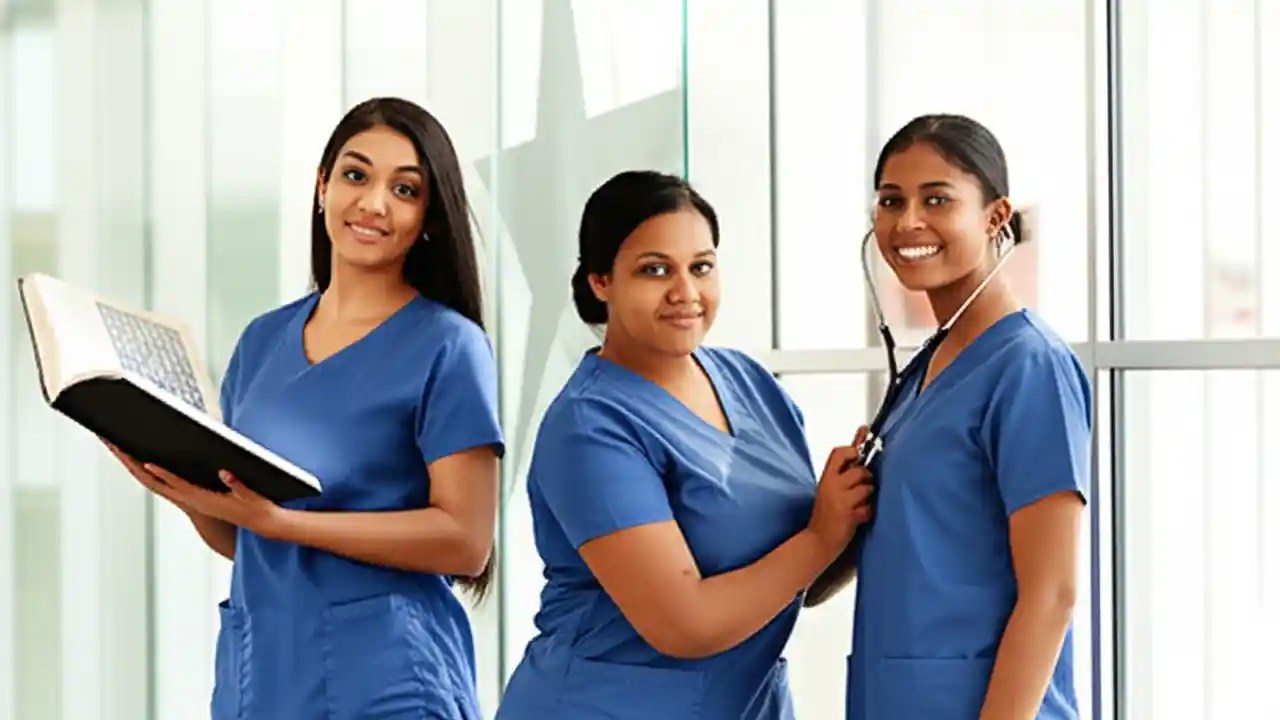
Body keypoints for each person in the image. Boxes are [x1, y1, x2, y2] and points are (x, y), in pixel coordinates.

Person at [103, 97, 504, 719]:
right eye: (355, 175)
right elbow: (246, 537)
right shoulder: (263, 340)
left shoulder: (449, 346)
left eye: (404, 189)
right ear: (322, 188)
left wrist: (284, 523)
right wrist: (175, 482)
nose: (373, 202)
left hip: (390, 681)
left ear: (427, 216)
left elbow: (464, 541)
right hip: (263, 673)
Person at [495, 170, 875, 719]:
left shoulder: (752, 383)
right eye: (655, 270)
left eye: (701, 266)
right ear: (601, 281)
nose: (685, 293)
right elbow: (684, 624)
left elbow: (795, 583)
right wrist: (822, 535)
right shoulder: (590, 426)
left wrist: (859, 505)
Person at [842, 114, 1091, 719]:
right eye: (890, 201)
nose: (908, 223)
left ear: (995, 217)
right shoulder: (924, 369)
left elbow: (1052, 594)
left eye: (937, 199)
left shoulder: (1029, 366)